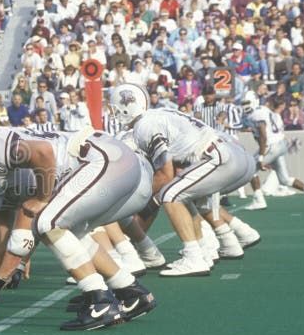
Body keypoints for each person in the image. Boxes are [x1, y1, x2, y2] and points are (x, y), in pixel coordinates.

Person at [0, 126, 156, 330]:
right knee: (68, 231)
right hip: (121, 173)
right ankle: (130, 291)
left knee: (46, 221)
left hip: (110, 160)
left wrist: (42, 197)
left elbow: (42, 152)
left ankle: (99, 300)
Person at [109, 84, 261, 277]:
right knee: (183, 193)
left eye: (115, 108)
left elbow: (165, 174)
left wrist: (140, 201)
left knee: (169, 195)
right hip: (233, 154)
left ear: (126, 106)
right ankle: (206, 249)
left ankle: (193, 258)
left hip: (217, 156)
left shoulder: (144, 125)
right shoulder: (158, 114)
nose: (113, 113)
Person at [241, 92, 304, 210]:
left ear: (255, 101)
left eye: (247, 103)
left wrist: (261, 156)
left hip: (271, 145)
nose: (245, 106)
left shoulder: (257, 113)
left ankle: (259, 200)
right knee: (285, 179)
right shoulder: (264, 110)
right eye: (243, 103)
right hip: (280, 144)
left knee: (250, 170)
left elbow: (263, 135)